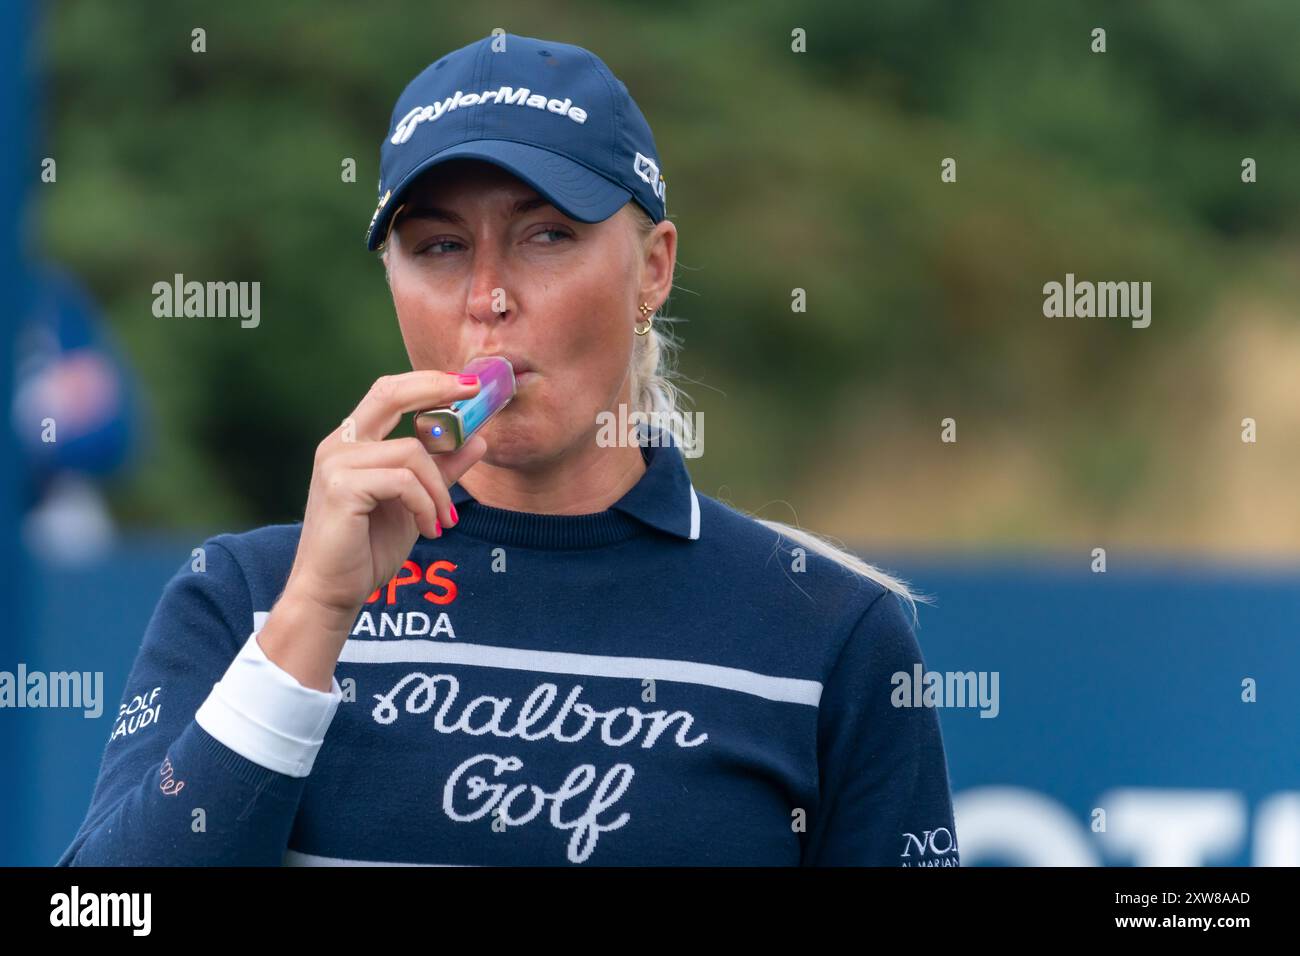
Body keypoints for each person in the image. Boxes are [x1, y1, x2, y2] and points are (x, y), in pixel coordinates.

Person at [58, 33, 959, 866]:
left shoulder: (829, 633)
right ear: (392, 280)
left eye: (548, 235)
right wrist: (315, 620)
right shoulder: (245, 598)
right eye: (441, 246)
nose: (487, 296)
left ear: (653, 267)